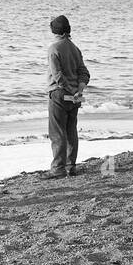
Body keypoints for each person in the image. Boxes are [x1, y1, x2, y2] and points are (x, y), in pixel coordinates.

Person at [46, 14, 90, 178]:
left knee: (57, 132)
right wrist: (79, 89)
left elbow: (57, 77)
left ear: (54, 31)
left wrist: (71, 90)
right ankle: (71, 167)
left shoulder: (54, 48)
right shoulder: (75, 48)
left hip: (59, 94)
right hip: (74, 97)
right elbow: (84, 73)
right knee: (71, 131)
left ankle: (58, 169)